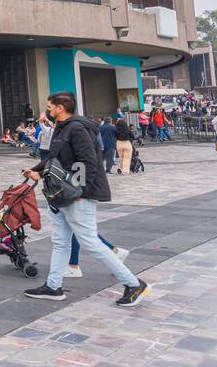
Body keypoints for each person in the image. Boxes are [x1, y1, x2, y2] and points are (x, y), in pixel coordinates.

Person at [23, 92, 149, 307]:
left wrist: (82, 191)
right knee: (61, 242)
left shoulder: (77, 128)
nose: (48, 110)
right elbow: (57, 161)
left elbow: (88, 162)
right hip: (63, 195)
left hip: (77, 195)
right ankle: (53, 287)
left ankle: (133, 283)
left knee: (90, 242)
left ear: (60, 107)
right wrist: (37, 171)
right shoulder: (63, 128)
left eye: (50, 106)